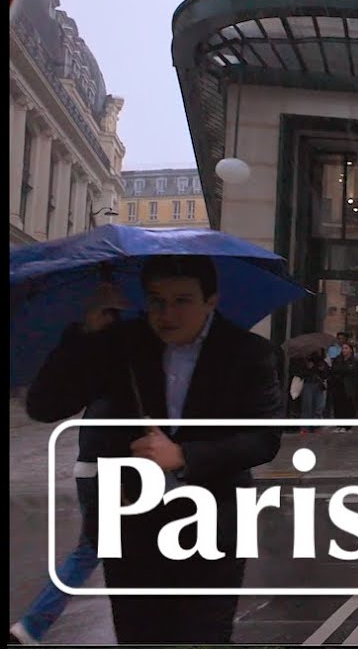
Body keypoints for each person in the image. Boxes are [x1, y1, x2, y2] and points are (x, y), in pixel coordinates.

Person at [25, 255, 284, 644]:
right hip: (131, 524)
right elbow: (44, 406)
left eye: (182, 300)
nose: (167, 313)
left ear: (210, 299)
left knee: (202, 635)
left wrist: (184, 456)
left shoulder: (247, 352)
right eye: (156, 300)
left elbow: (262, 439)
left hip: (213, 524)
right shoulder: (121, 344)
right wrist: (85, 334)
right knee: (138, 635)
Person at [10, 399, 109, 645]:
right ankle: (30, 628)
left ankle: (30, 629)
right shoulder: (136, 378)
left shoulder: (111, 377)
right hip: (111, 474)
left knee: (89, 552)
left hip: (92, 468)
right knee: (92, 551)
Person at [329, 342, 358, 430]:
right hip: (338, 386)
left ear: (350, 350)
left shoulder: (354, 360)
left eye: (346, 348)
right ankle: (339, 425)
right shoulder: (338, 359)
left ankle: (347, 426)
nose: (344, 350)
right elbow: (334, 370)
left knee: (348, 407)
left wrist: (341, 370)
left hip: (348, 387)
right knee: (338, 407)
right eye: (343, 348)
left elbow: (349, 370)